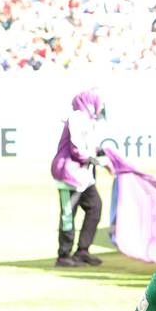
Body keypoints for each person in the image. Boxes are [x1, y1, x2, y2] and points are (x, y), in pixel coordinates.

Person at [51, 90, 105, 267]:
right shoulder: (77, 117)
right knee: (69, 213)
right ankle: (63, 256)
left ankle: (82, 250)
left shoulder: (87, 120)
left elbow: (86, 145)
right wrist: (89, 158)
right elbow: (76, 146)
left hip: (83, 175)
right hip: (69, 174)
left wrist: (98, 152)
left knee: (94, 207)